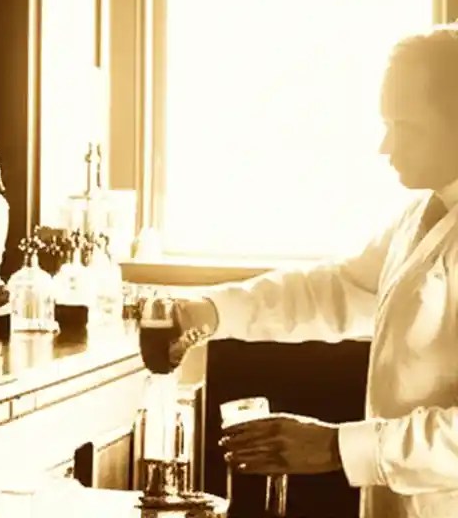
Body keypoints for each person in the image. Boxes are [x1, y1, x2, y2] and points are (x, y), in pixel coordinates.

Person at [170, 26, 458, 518]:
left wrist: (335, 448)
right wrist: (214, 311)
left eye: (405, 126)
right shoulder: (421, 216)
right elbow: (339, 290)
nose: (385, 147)